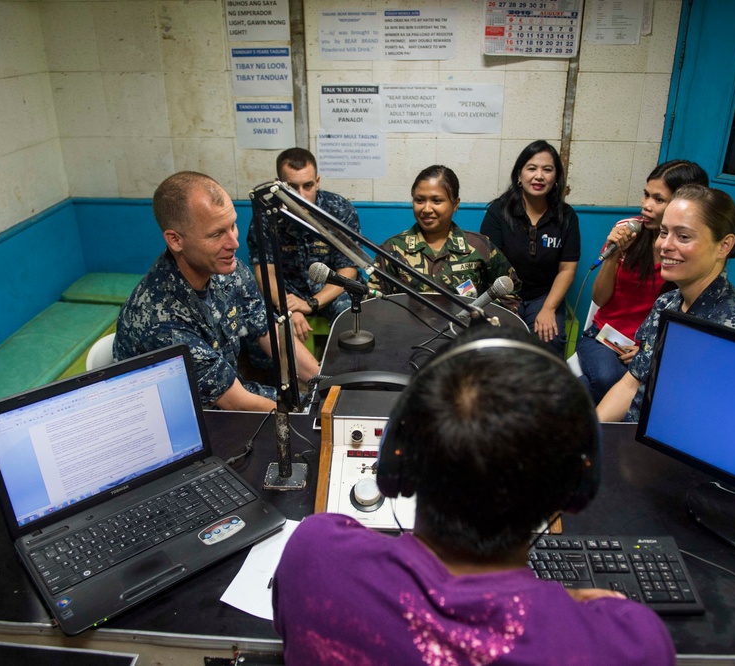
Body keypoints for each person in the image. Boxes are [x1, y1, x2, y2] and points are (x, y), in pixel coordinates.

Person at [272, 326, 676, 665]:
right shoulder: (630, 645)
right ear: (573, 489)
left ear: (400, 462)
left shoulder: (314, 555)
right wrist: (568, 605)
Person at [114, 171, 320, 412]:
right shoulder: (160, 318)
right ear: (175, 240)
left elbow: (268, 331)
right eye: (216, 234)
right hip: (188, 419)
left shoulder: (228, 270)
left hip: (228, 392)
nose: (234, 243)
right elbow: (234, 401)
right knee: (307, 417)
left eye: (232, 225)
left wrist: (323, 383)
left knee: (316, 403)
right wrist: (305, 415)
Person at [597, 185, 735, 423]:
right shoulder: (667, 303)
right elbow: (631, 384)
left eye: (684, 236)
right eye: (664, 232)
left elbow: (716, 424)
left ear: (724, 246)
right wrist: (591, 435)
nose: (665, 245)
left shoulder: (734, 328)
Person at [575, 160, 709, 402]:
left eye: (658, 200)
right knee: (607, 378)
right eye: (646, 195)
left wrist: (647, 351)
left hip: (650, 348)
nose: (646, 206)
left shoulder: (687, 254)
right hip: (604, 337)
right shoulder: (627, 231)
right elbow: (599, 298)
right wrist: (614, 253)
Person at [247, 148, 362, 343]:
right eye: (292, 187)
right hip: (287, 294)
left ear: (317, 182)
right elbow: (266, 275)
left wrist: (311, 304)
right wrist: (288, 307)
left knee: (350, 313)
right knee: (258, 327)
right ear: (278, 185)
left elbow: (347, 273)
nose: (301, 195)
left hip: (332, 288)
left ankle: (344, 371)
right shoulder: (266, 216)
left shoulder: (339, 210)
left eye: (308, 186)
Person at [370, 164, 520, 313]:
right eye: (419, 200)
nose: (427, 209)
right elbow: (373, 302)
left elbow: (509, 291)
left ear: (455, 204)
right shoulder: (392, 249)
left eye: (437, 201)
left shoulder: (479, 246)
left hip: (464, 332)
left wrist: (482, 320)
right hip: (408, 333)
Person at [481, 140, 579, 356]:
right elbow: (490, 267)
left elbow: (567, 269)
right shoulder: (498, 211)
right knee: (500, 347)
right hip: (505, 295)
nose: (539, 176)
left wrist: (549, 308)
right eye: (531, 168)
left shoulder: (566, 216)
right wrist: (508, 306)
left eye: (547, 170)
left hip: (544, 295)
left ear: (556, 178)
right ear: (519, 175)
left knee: (549, 340)